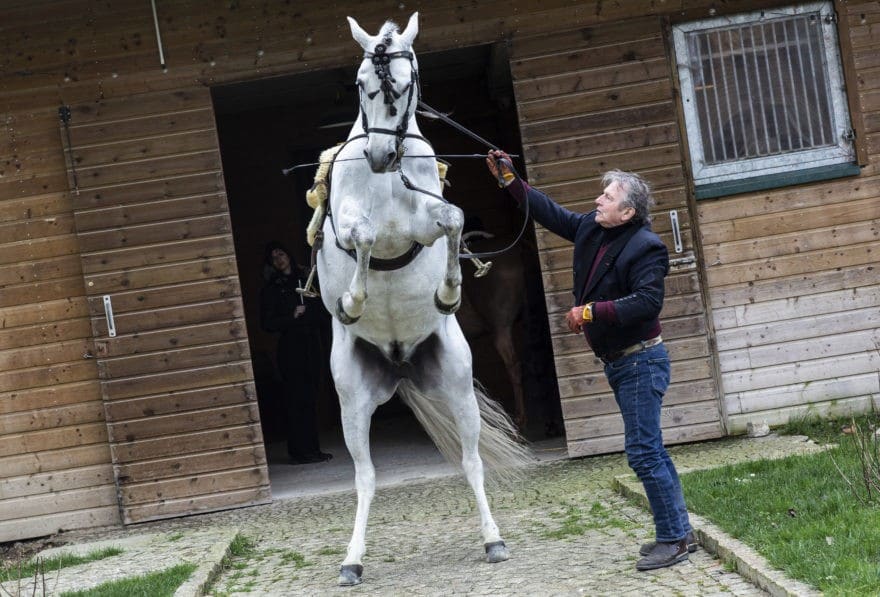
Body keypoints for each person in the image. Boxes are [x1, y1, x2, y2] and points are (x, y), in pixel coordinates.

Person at [486, 150, 696, 571]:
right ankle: (680, 530)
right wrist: (511, 181)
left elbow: (648, 303)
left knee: (643, 452)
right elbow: (549, 212)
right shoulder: (592, 229)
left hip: (641, 361)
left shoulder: (647, 247)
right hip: (619, 362)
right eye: (602, 194)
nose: (599, 200)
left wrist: (589, 312)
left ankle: (672, 539)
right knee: (651, 449)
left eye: (608, 196)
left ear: (628, 210)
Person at [259, 241, 332, 465]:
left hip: (311, 344)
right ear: (271, 264)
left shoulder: (305, 281)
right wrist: (292, 316)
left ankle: (313, 449)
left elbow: (322, 313)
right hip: (291, 348)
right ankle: (299, 452)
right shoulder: (272, 288)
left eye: (281, 253)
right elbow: (268, 323)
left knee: (311, 397)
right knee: (295, 399)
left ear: (288, 255)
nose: (279, 258)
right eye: (274, 257)